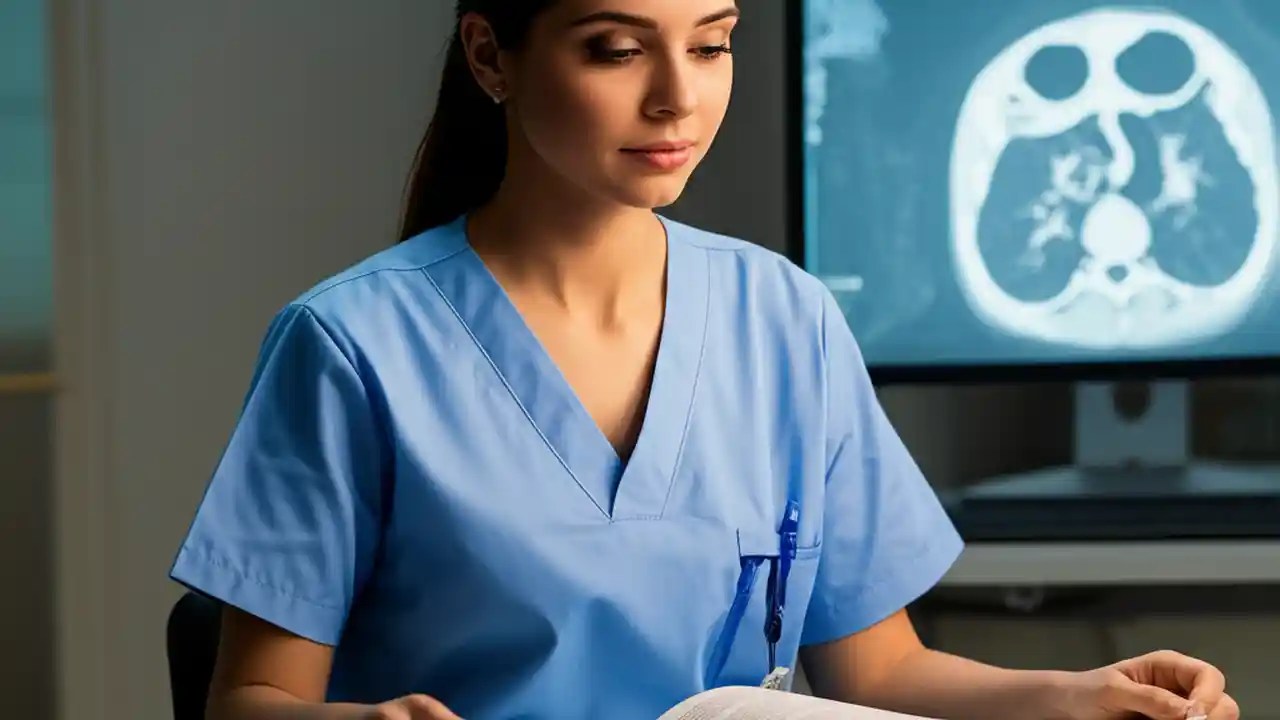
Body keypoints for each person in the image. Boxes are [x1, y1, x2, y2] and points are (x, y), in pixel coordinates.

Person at [169, 2, 1239, 719]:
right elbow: (250, 702)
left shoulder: (783, 316)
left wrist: (1073, 695)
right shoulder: (353, 346)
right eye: (615, 49)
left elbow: (878, 671)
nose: (677, 97)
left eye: (712, 42)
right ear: (491, 56)